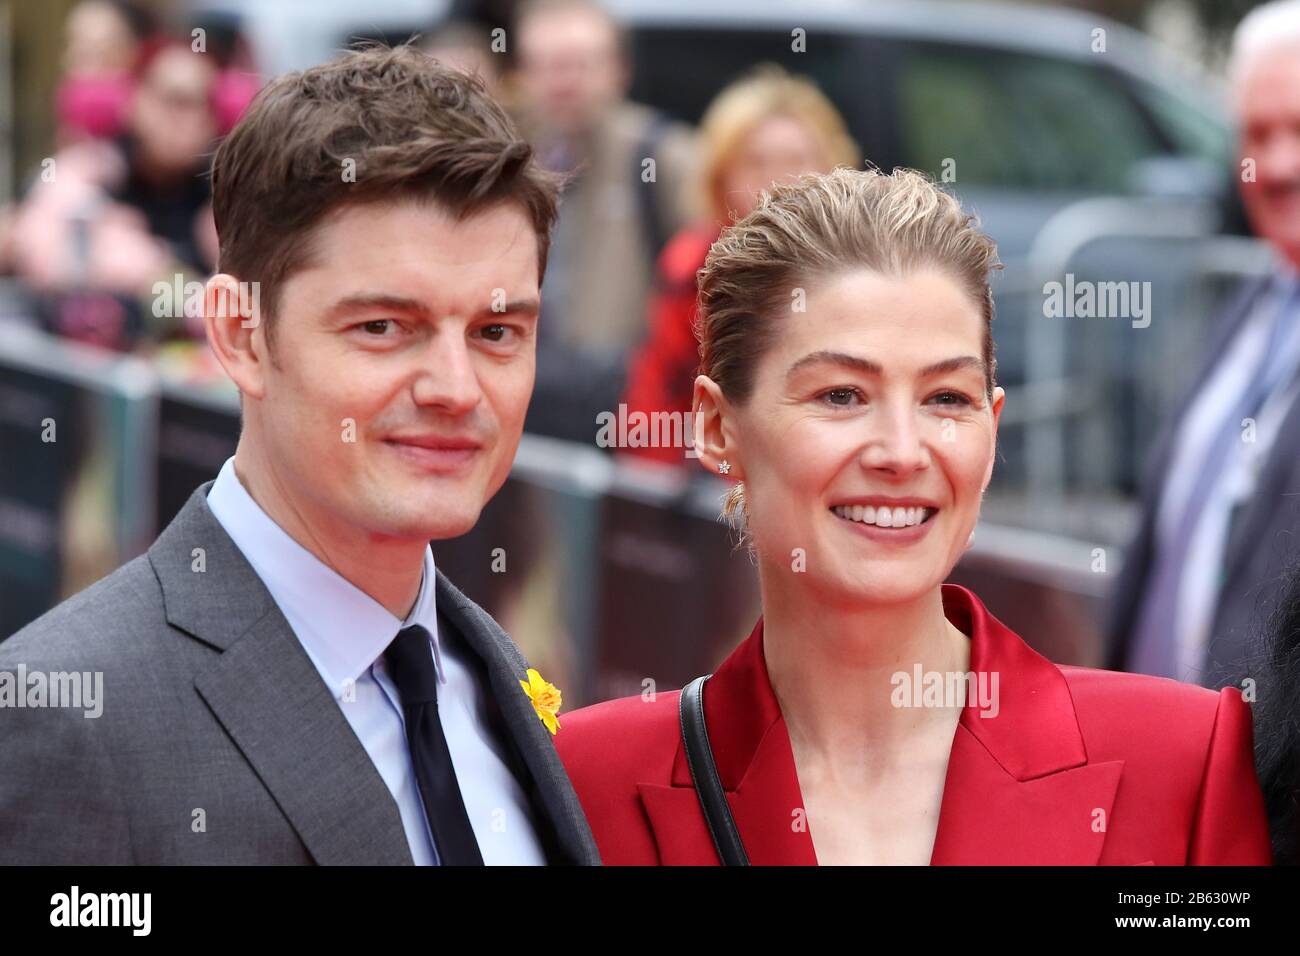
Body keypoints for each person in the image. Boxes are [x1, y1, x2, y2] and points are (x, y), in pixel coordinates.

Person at [554, 167, 1272, 865]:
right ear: (716, 427)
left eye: (946, 399)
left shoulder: (1182, 760)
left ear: (992, 430)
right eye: (840, 395)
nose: (902, 451)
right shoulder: (582, 781)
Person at [0, 44, 599, 866]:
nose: (457, 389)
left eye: (497, 333)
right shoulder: (70, 717)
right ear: (241, 335)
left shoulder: (499, 683)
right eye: (383, 327)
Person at [1106, 0, 1300, 690]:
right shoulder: (1251, 307)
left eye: (1299, 130)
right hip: (1164, 758)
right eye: (1256, 135)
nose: (1277, 166)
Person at [620, 65, 859, 466]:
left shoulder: (863, 271)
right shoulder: (691, 268)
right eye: (756, 162)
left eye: (797, 159)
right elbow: (656, 404)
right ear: (720, 176)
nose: (779, 180)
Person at [511, 0, 695, 442]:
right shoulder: (514, 158)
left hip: (630, 407)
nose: (564, 82)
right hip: (534, 402)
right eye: (549, 66)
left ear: (619, 70)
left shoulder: (662, 156)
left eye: (580, 65)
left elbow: (705, 281)